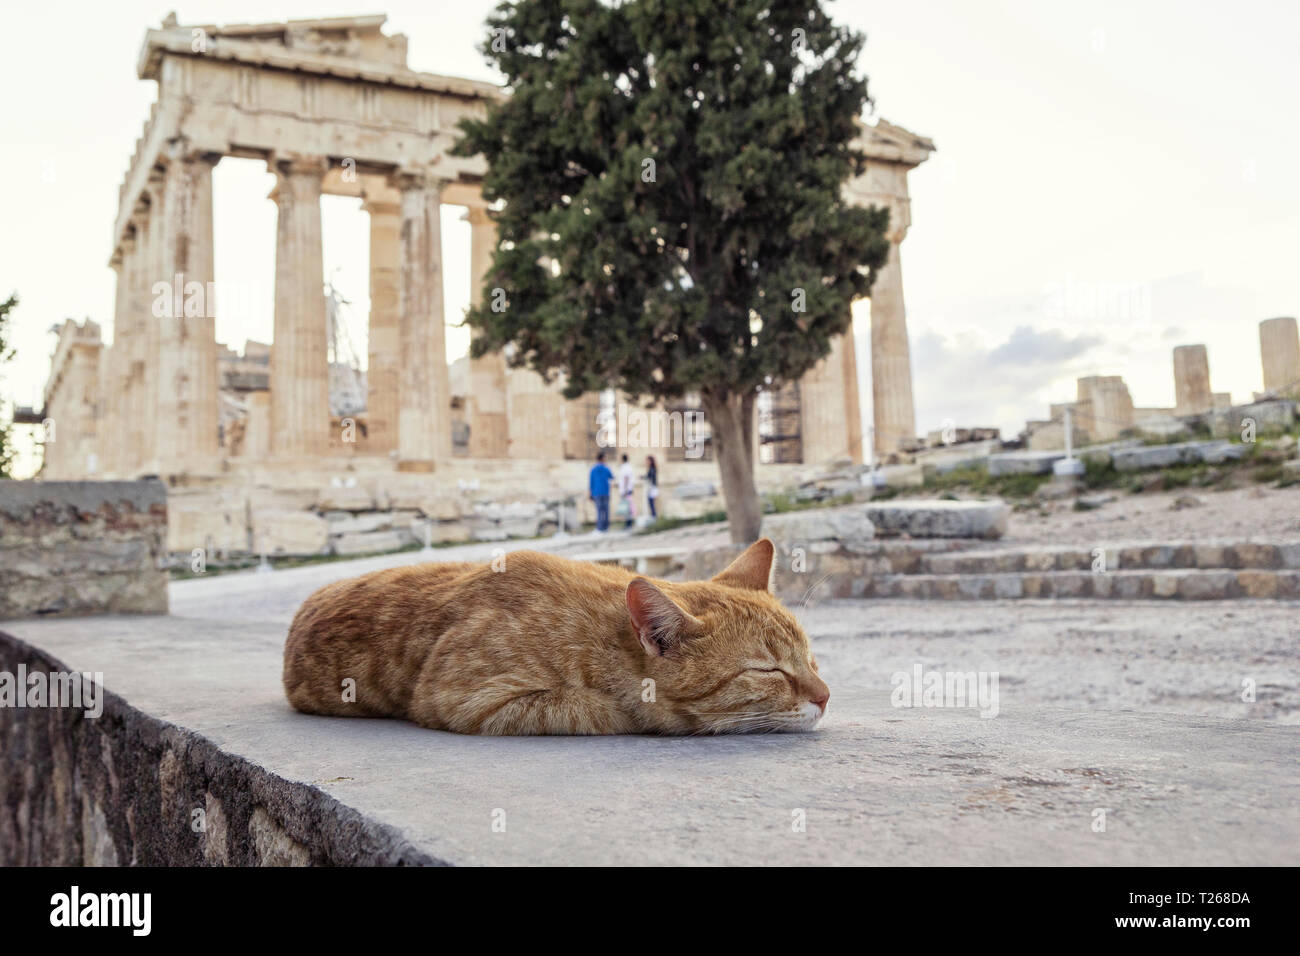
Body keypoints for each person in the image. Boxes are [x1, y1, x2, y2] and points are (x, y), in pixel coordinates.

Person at [588, 451, 614, 532]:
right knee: (606, 510)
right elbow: (612, 477)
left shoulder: (593, 469)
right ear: (602, 458)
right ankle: (606, 527)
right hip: (605, 492)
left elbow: (591, 482)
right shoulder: (606, 468)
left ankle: (600, 528)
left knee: (599, 511)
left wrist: (590, 494)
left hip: (596, 492)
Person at [618, 453, 637, 529]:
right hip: (627, 489)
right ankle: (628, 523)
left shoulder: (625, 467)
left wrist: (625, 490)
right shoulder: (628, 467)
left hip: (626, 490)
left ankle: (628, 524)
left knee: (627, 507)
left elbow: (626, 479)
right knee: (627, 506)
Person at [644, 455, 659, 519]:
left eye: (647, 461)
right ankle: (653, 516)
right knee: (651, 503)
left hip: (652, 488)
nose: (646, 462)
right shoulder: (652, 468)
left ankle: (654, 517)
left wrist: (645, 477)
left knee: (651, 502)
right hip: (652, 487)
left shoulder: (652, 469)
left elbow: (650, 477)